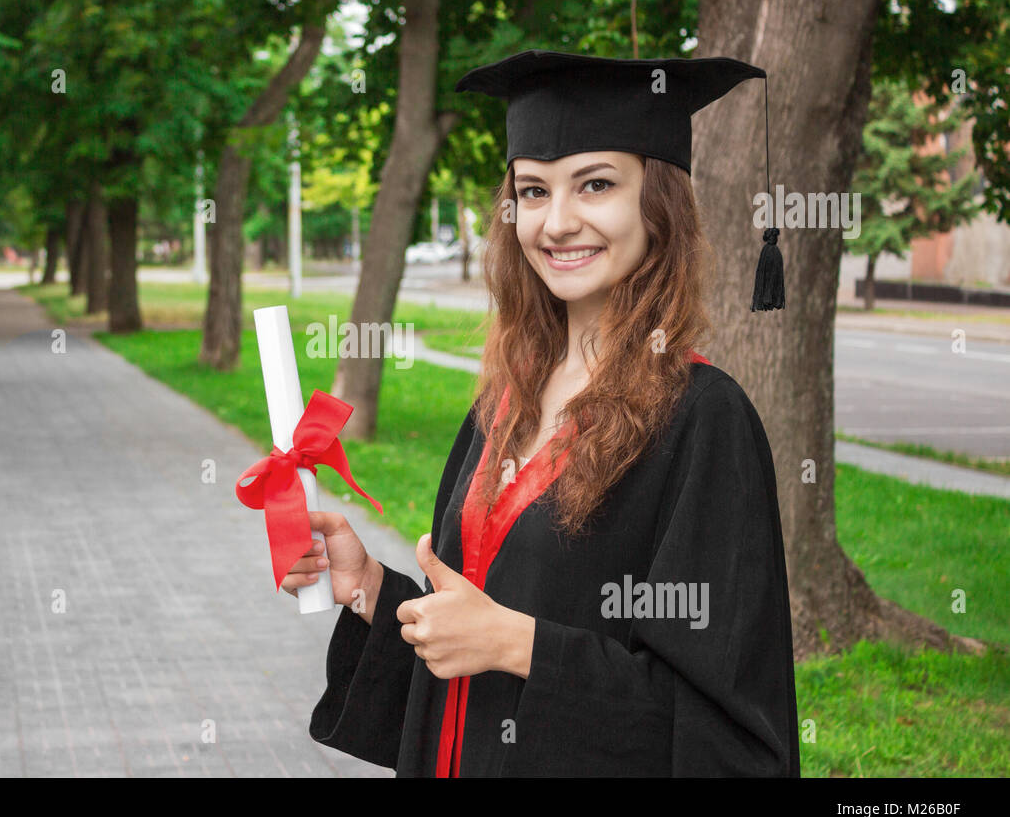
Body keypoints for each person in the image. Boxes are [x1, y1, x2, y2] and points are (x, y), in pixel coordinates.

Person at [286, 51, 799, 777]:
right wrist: (371, 588)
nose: (556, 223)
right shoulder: (504, 400)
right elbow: (463, 654)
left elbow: (724, 739)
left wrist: (516, 645)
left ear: (657, 203)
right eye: (532, 191)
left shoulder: (703, 421)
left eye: (595, 184)